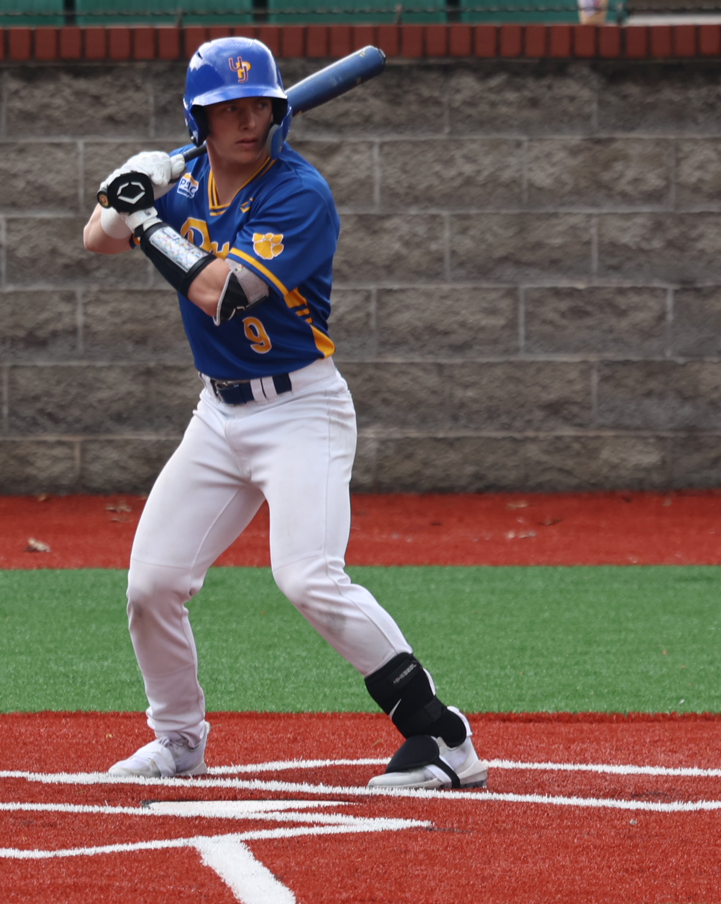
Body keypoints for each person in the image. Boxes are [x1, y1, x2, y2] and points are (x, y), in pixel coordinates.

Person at [82, 37, 487, 790]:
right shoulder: (188, 179)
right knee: (151, 586)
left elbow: (220, 292)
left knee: (308, 577)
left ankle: (444, 738)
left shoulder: (299, 194)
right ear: (197, 120)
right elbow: (92, 240)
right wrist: (126, 189)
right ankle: (177, 741)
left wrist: (140, 223)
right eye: (227, 110)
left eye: (259, 107)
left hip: (300, 408)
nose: (248, 121)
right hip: (217, 414)